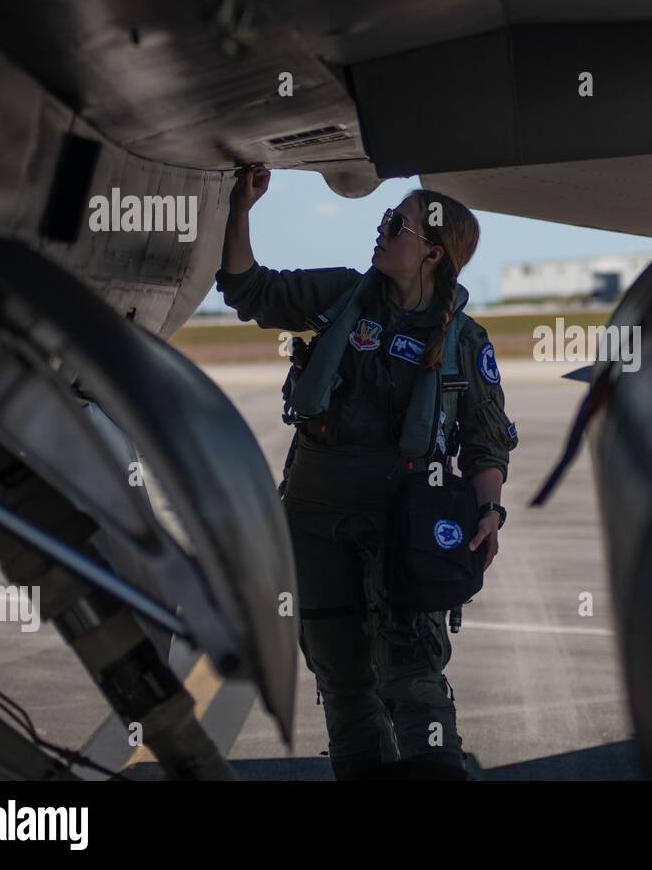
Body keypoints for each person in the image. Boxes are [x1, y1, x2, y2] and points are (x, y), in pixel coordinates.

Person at [215, 166, 518, 778]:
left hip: (404, 523)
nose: (382, 230)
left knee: (413, 678)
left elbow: (485, 446)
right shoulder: (341, 298)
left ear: (432, 252)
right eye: (385, 220)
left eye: (396, 224)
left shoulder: (463, 341)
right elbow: (247, 289)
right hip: (315, 512)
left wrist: (488, 512)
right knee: (342, 680)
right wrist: (240, 211)